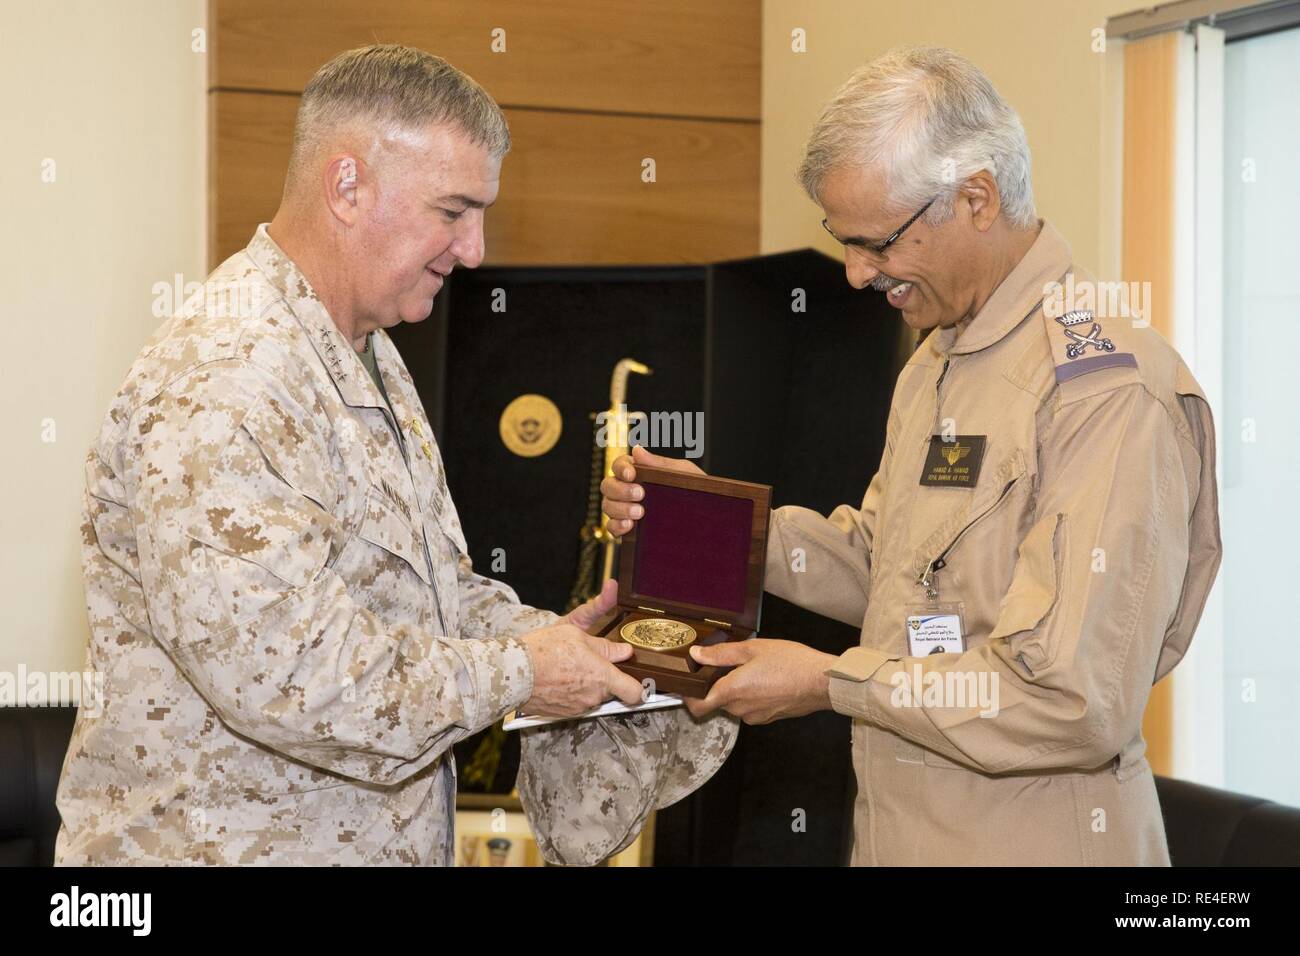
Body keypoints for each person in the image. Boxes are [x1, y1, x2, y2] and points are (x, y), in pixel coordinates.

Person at [56, 44, 734, 866]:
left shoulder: (363, 349)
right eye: (452, 212)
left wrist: (575, 645)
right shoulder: (230, 372)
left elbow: (427, 605)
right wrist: (523, 672)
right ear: (347, 187)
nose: (475, 249)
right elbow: (289, 675)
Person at [601, 46, 1221, 866]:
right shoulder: (938, 355)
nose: (857, 275)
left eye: (878, 242)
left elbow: (1073, 699)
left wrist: (830, 682)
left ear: (976, 198)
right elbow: (889, 565)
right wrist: (711, 519)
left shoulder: (1103, 385)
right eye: (843, 241)